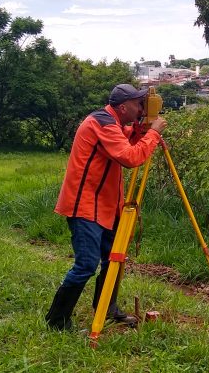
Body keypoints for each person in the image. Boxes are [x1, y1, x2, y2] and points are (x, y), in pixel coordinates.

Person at [45, 83, 167, 331]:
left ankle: (107, 307)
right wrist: (153, 134)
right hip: (86, 206)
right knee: (87, 264)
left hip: (108, 206)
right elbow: (130, 158)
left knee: (114, 259)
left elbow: (125, 139)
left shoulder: (113, 123)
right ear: (123, 107)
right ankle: (57, 320)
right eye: (137, 104)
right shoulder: (101, 123)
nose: (141, 108)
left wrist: (140, 131)